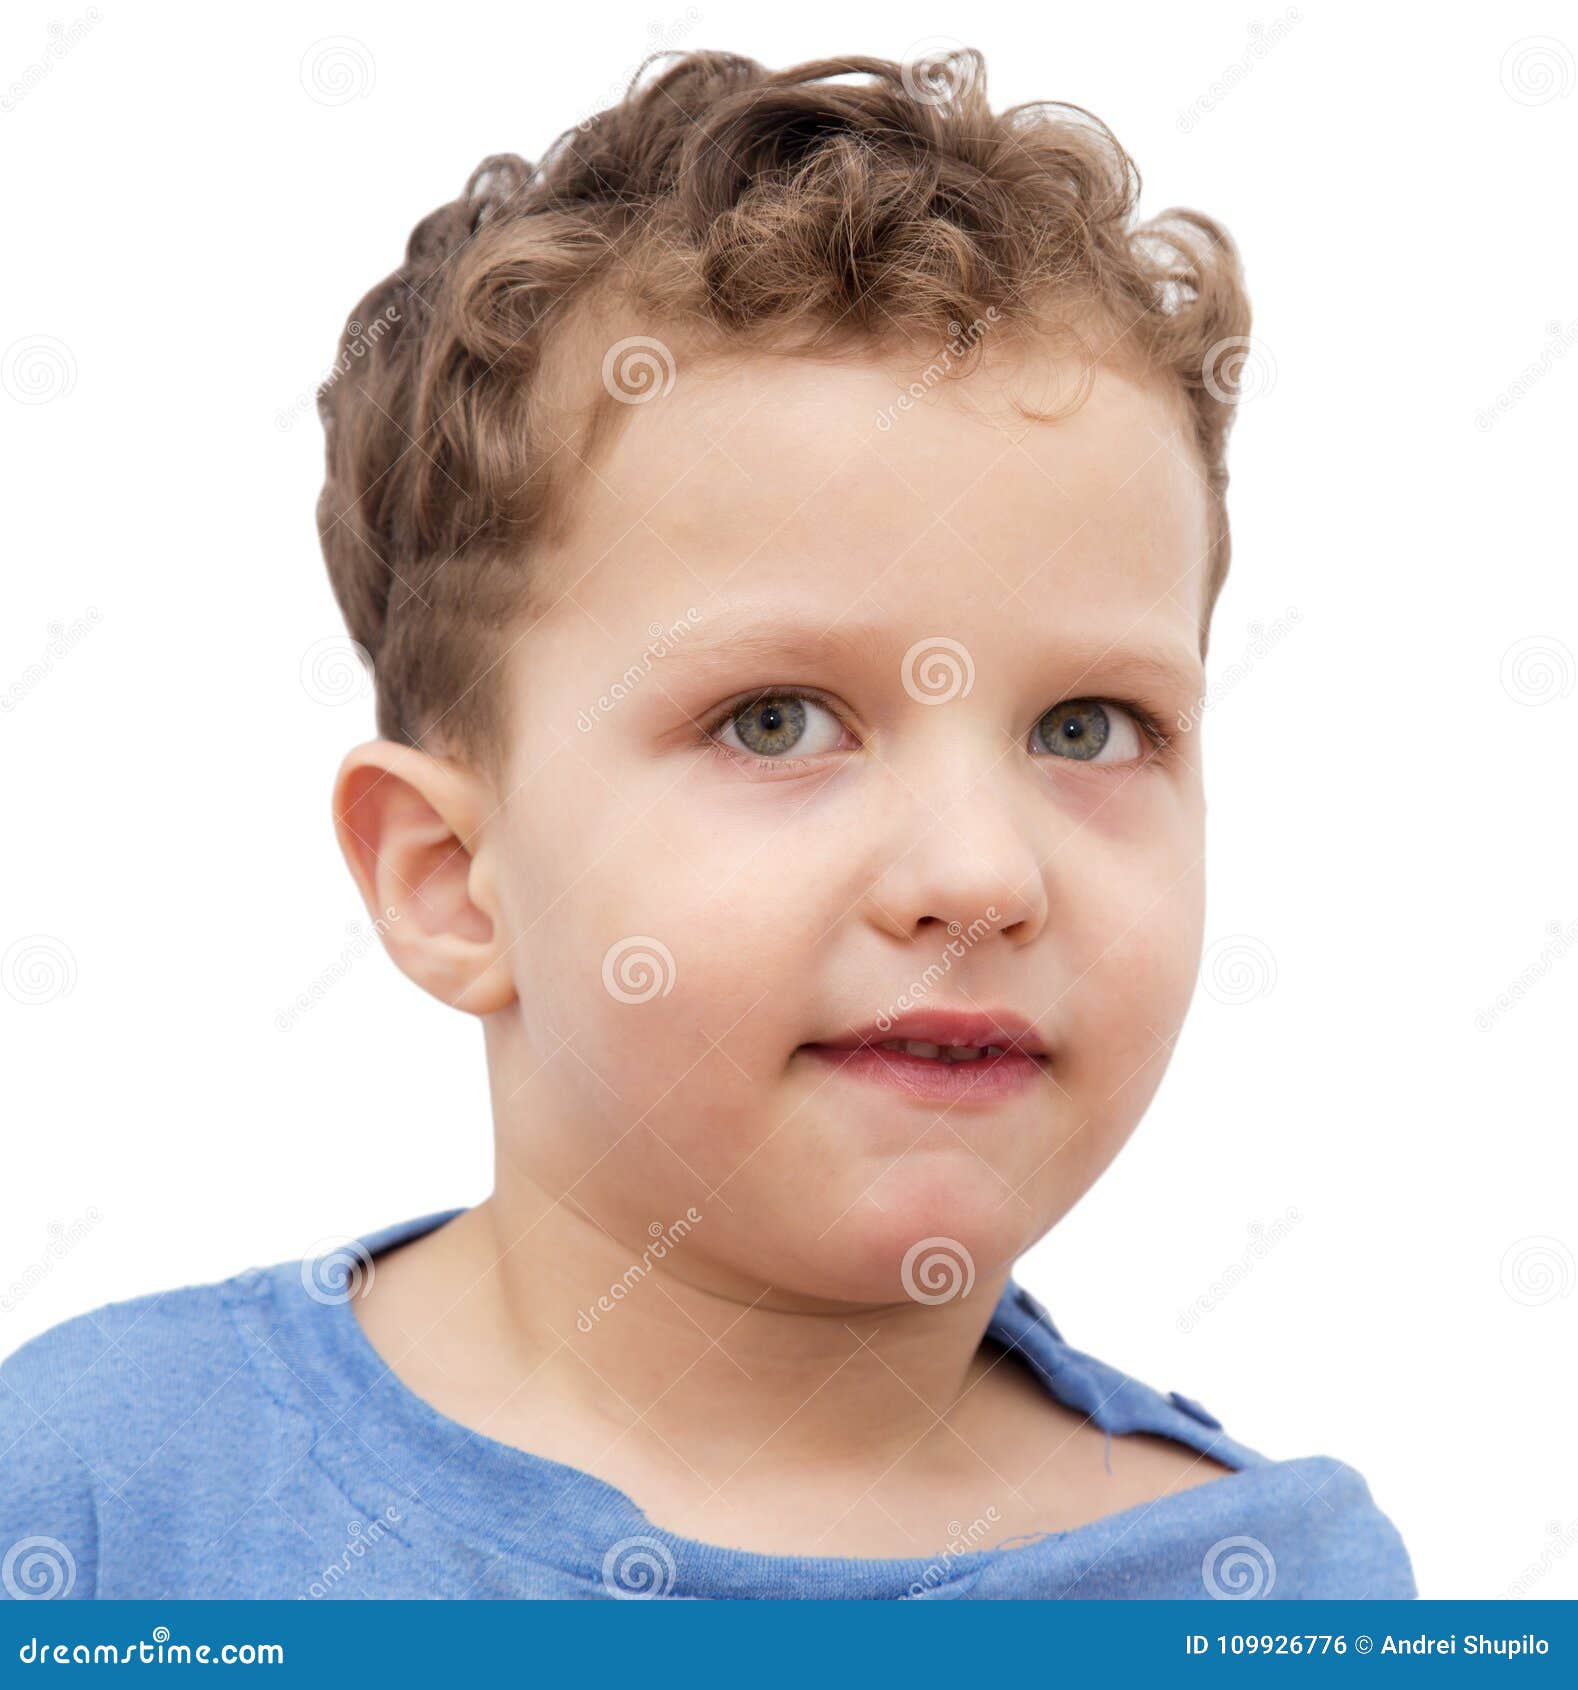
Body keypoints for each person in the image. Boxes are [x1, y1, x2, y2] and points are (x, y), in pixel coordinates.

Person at [0, 46, 1415, 1601]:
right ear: (452, 879)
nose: (979, 874)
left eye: (1086, 729)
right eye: (776, 721)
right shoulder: (103, 1502)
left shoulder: (1280, 1593)